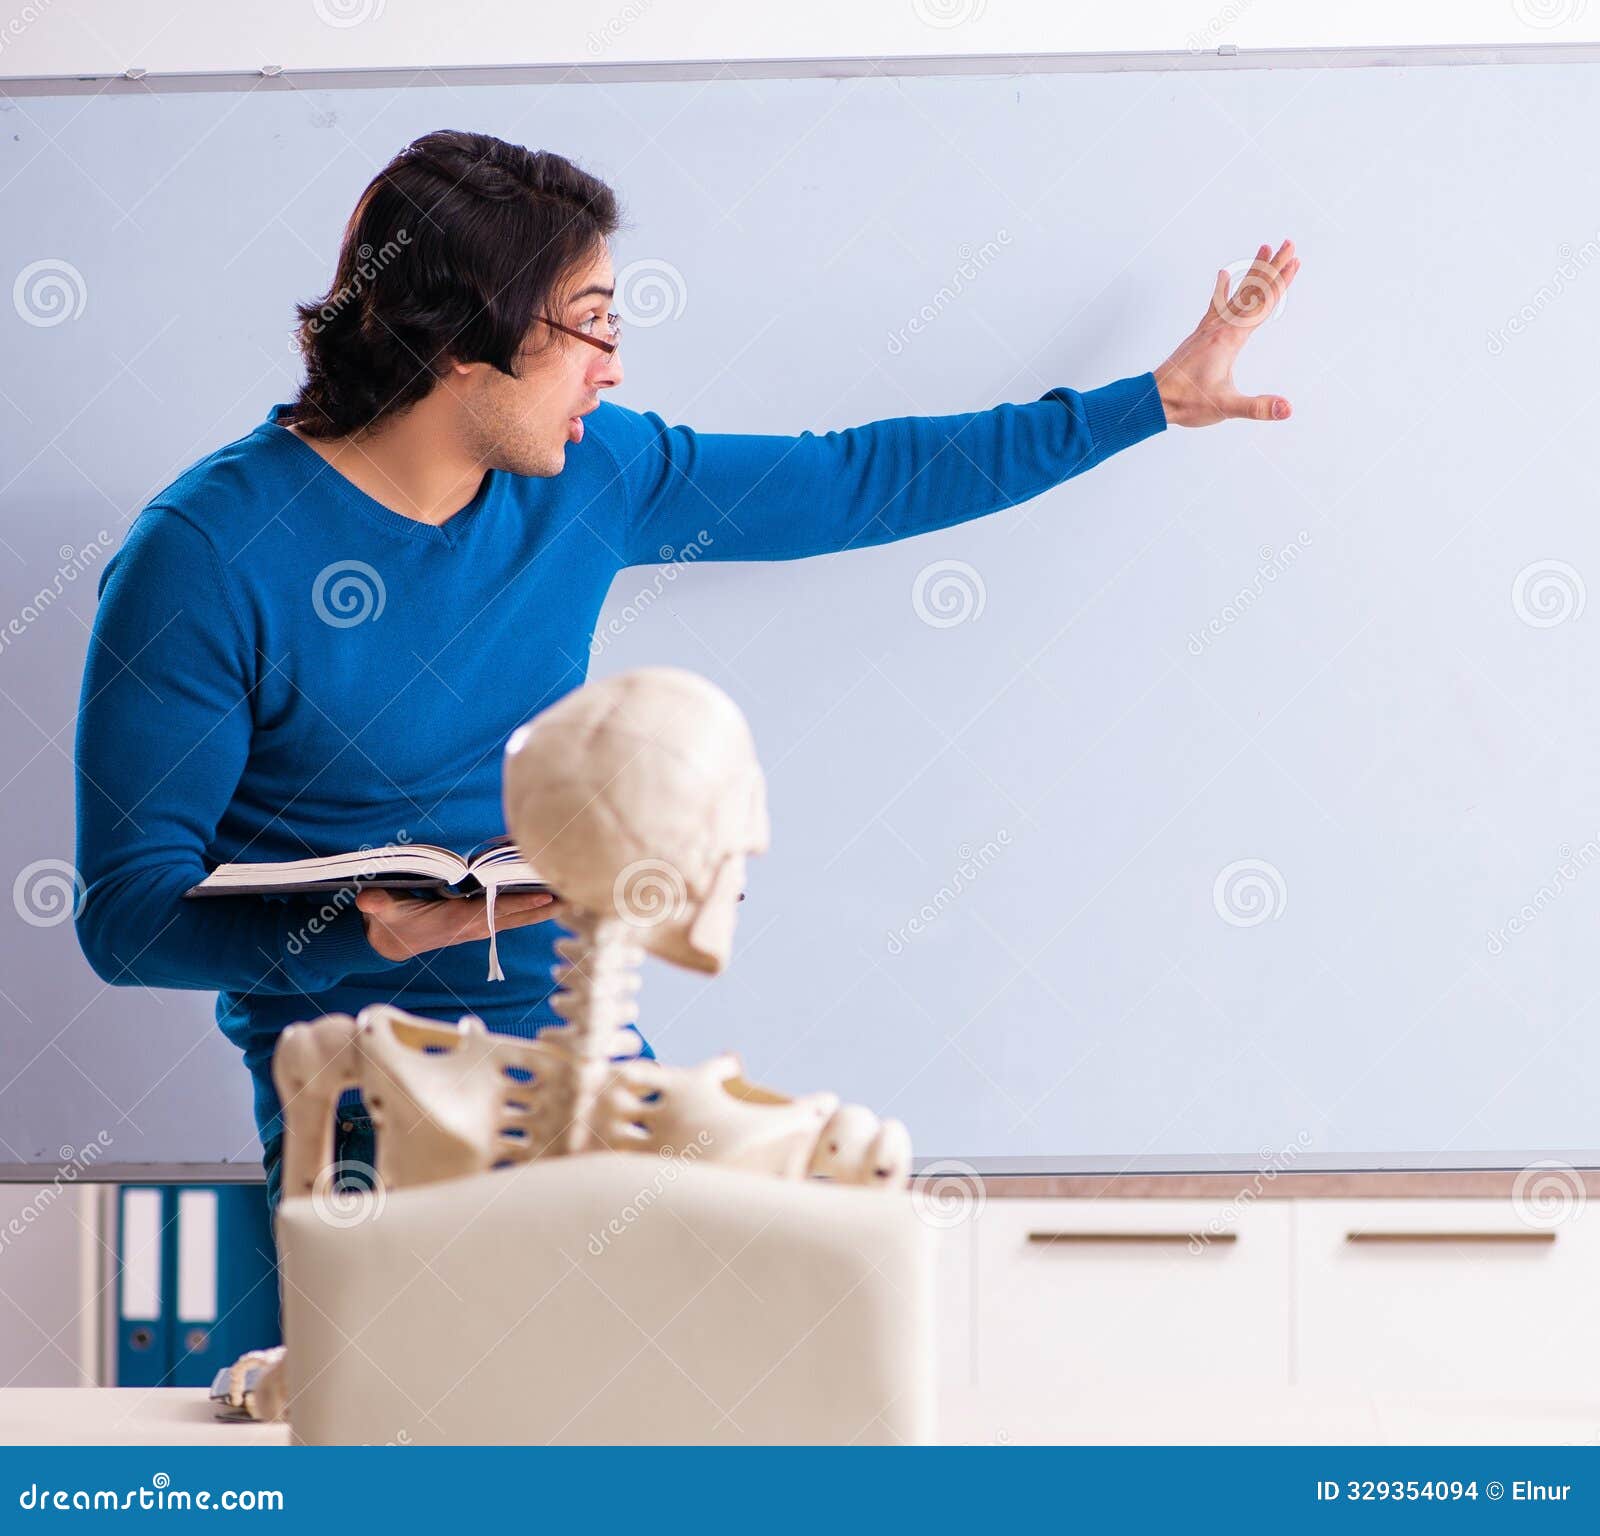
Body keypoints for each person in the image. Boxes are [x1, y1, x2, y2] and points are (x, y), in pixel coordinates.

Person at [71, 129, 1299, 1216]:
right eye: (589, 324)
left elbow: (862, 480)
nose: (612, 367)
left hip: (575, 1054)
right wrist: (372, 933)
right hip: (361, 1101)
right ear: (459, 343)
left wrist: (1149, 402)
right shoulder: (206, 556)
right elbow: (129, 924)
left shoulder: (593, 473)